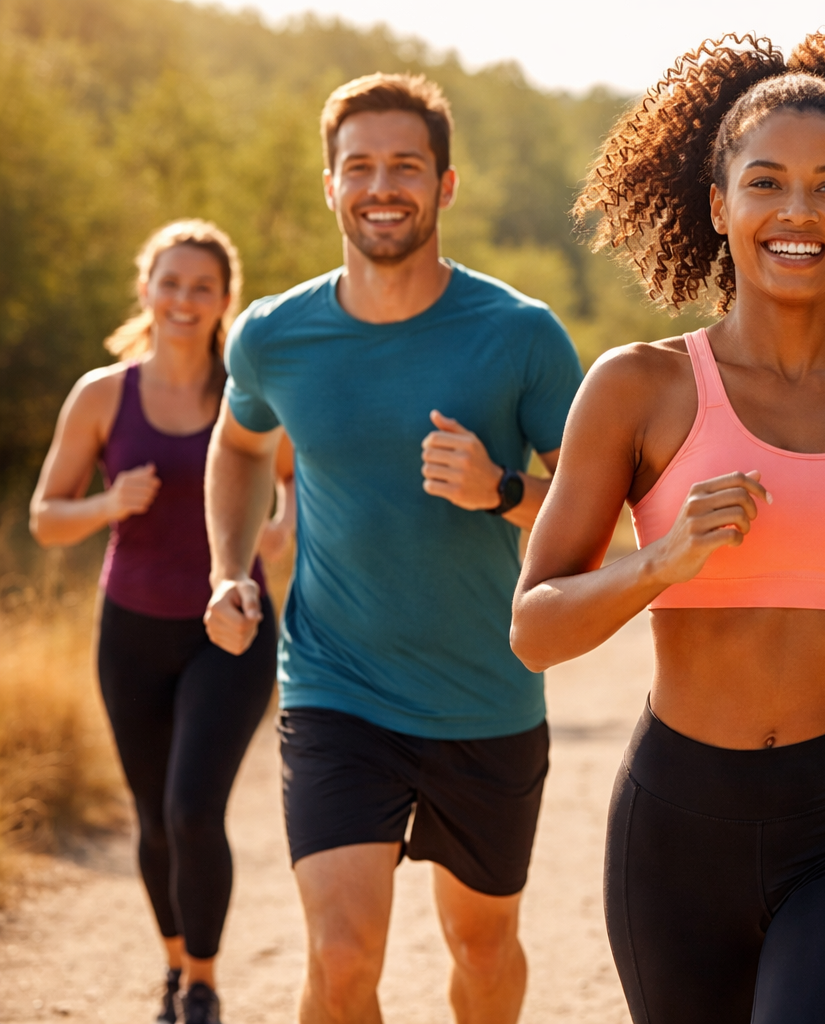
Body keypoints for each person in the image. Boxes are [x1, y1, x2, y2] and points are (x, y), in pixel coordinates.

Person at [512, 29, 825, 1024]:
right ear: (718, 203)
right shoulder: (639, 387)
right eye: (766, 182)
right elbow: (536, 625)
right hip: (678, 826)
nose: (798, 211)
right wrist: (662, 560)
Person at [202, 73, 582, 1024]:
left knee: (482, 947)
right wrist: (229, 569)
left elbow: (601, 511)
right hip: (336, 689)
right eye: (359, 166)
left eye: (406, 166)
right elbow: (241, 445)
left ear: (445, 185)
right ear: (329, 183)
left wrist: (501, 490)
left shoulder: (520, 335)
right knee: (339, 957)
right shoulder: (274, 336)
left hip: (485, 696)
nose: (382, 186)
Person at [29, 220, 290, 1024]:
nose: (184, 299)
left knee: (190, 807)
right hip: (131, 630)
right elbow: (45, 516)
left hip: (229, 627)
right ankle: (175, 965)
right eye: (170, 283)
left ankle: (204, 983)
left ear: (224, 302)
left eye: (202, 287)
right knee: (152, 816)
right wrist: (108, 503)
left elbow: (296, 475)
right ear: (147, 289)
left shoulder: (245, 392)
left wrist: (283, 525)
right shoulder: (103, 395)